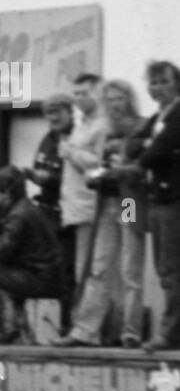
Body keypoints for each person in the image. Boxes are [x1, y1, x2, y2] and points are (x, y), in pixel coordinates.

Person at [56, 79, 145, 347]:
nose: (115, 105)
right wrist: (98, 175)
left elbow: (143, 165)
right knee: (99, 267)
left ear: (129, 100)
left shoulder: (141, 127)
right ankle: (85, 330)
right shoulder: (107, 132)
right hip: (106, 202)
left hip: (128, 200)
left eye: (119, 99)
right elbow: (99, 164)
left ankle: (131, 331)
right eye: (110, 100)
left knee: (130, 267)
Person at [0, 166, 66, 344]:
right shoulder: (19, 209)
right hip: (40, 274)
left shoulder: (19, 215)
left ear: (7, 192)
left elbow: (0, 254)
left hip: (39, 279)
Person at [128, 60, 180, 351]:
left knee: (167, 270)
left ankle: (158, 332)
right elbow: (131, 146)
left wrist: (143, 149)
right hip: (145, 200)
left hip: (160, 201)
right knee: (160, 269)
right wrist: (141, 147)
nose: (158, 88)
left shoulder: (174, 116)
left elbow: (152, 153)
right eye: (154, 83)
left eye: (164, 82)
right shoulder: (155, 119)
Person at [24, 95, 77, 325]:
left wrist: (50, 178)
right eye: (49, 113)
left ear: (70, 111)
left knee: (69, 269)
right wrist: (35, 176)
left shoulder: (77, 136)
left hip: (70, 214)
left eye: (58, 111)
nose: (53, 117)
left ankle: (68, 321)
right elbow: (39, 169)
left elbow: (76, 176)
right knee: (49, 268)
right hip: (47, 215)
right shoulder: (47, 139)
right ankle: (47, 324)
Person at [59, 87, 108, 299]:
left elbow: (99, 163)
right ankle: (84, 322)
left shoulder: (102, 126)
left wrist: (71, 152)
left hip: (114, 202)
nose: (78, 98)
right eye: (76, 93)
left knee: (93, 266)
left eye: (84, 92)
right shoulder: (81, 125)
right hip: (78, 205)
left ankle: (93, 326)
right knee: (83, 266)